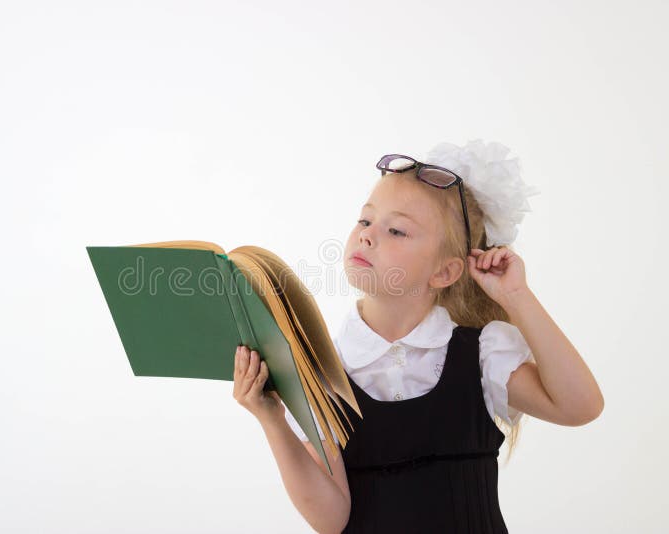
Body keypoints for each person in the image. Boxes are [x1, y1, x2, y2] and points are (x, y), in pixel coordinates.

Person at [232, 139, 605, 534]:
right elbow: (330, 518)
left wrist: (517, 296)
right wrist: (272, 419)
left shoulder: (481, 356)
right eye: (365, 221)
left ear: (444, 273)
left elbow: (579, 406)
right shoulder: (323, 373)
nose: (368, 236)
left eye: (396, 230)